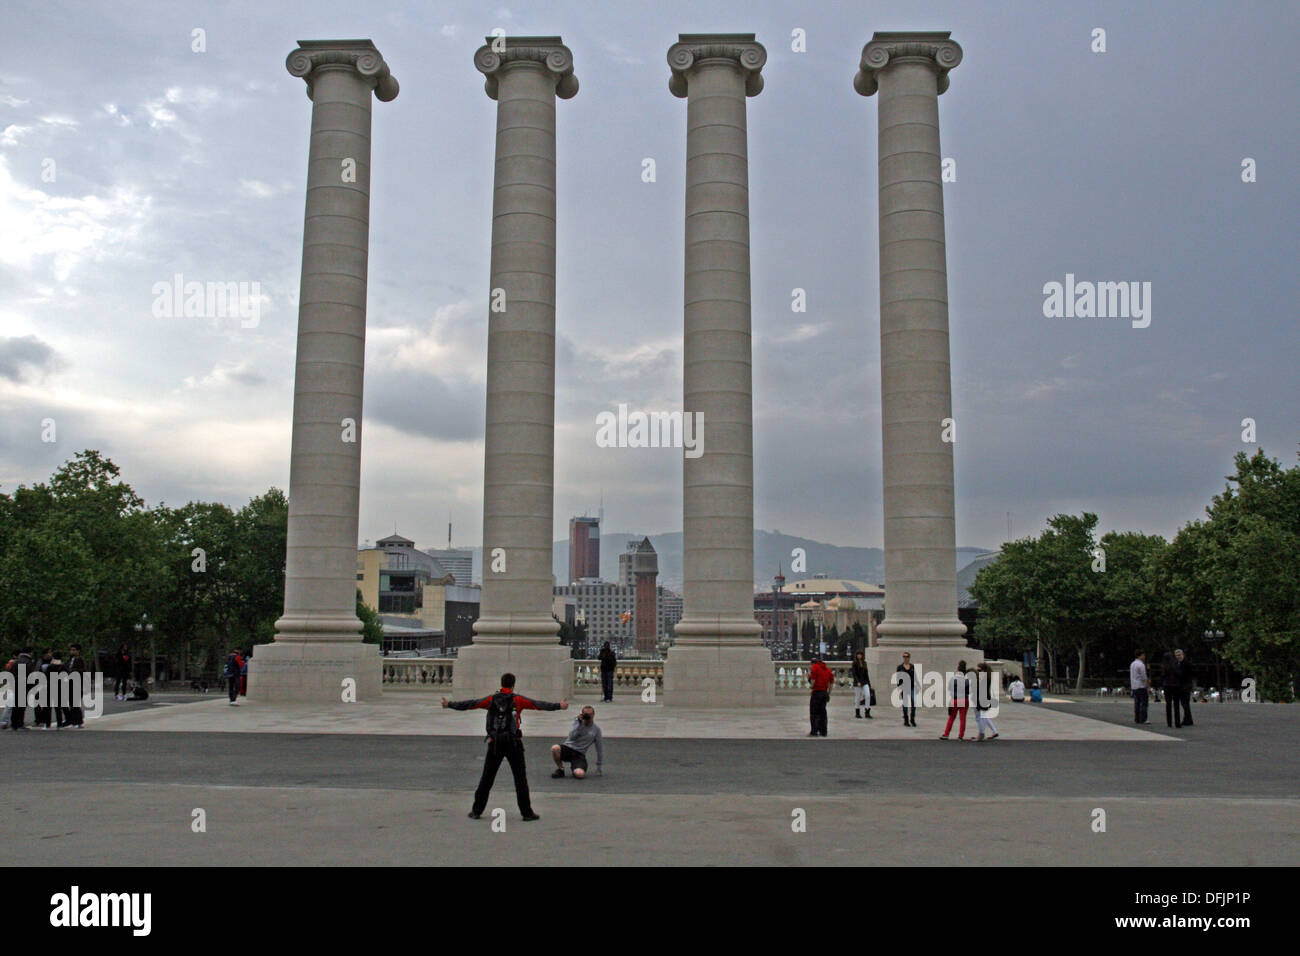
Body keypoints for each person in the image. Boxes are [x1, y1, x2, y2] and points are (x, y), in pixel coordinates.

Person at [442, 673, 567, 822]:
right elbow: (538, 705)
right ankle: (527, 813)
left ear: (501, 684)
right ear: (513, 684)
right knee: (520, 779)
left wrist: (449, 704)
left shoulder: (491, 699)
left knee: (487, 778)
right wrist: (559, 706)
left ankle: (476, 810)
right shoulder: (518, 700)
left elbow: (471, 704)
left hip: (495, 743)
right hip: (514, 743)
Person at [551, 704, 604, 778]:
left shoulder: (596, 730)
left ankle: (575, 768)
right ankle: (560, 769)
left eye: (590, 714)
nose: (588, 716)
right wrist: (579, 724)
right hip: (568, 748)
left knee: (580, 774)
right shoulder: (577, 722)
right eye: (586, 714)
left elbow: (599, 749)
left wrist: (599, 767)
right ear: (582, 714)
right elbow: (572, 737)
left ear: (594, 715)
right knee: (555, 748)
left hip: (579, 754)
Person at [940, 660, 970, 740]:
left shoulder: (953, 679)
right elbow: (968, 691)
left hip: (955, 699)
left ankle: (946, 734)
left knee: (951, 717)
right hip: (964, 699)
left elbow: (949, 688)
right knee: (962, 719)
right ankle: (960, 736)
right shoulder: (966, 680)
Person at [6, 648, 35, 730]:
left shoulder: (17, 661)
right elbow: (31, 675)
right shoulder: (28, 662)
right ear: (30, 653)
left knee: (16, 705)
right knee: (22, 706)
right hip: (25, 685)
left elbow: (11, 673)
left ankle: (14, 723)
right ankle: (19, 723)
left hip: (17, 684)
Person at [972, 662, 999, 741]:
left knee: (979, 718)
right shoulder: (987, 677)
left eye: (979, 670)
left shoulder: (984, 678)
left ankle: (981, 733)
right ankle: (994, 731)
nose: (978, 672)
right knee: (984, 717)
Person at [808, 656, 833, 736]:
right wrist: (828, 694)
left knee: (814, 713)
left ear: (813, 663)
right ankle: (823, 731)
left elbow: (813, 681)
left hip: (817, 692)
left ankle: (814, 731)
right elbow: (831, 684)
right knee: (823, 712)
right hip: (824, 693)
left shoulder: (814, 668)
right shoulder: (828, 670)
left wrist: (811, 685)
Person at [65, 643, 86, 728]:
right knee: (71, 703)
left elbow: (83, 670)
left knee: (75, 703)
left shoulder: (80, 660)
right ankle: (74, 721)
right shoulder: (69, 660)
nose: (72, 652)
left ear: (78, 651)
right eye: (71, 650)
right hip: (69, 683)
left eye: (74, 650)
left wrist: (73, 671)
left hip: (76, 683)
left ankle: (78, 721)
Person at [1160, 650, 1182, 728]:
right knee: (1176, 704)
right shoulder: (1175, 665)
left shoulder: (1164, 666)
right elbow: (1179, 674)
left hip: (1166, 685)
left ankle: (1169, 722)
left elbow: (1162, 676)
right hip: (1175, 685)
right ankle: (1177, 722)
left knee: (1168, 704)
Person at [896, 652, 918, 726]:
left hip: (911, 687)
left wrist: (917, 684)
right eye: (904, 657)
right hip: (904, 688)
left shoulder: (912, 666)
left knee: (914, 703)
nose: (905, 658)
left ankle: (912, 719)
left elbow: (915, 676)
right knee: (905, 704)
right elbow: (898, 677)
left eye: (907, 657)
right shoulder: (900, 667)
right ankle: (906, 720)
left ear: (909, 658)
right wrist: (899, 687)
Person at [1174, 649, 1194, 726]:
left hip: (1185, 685)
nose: (1178, 657)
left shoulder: (1186, 663)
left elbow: (1187, 674)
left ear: (1183, 655)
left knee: (1185, 703)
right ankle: (1187, 719)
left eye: (1179, 655)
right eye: (1177, 655)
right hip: (1180, 686)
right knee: (1184, 704)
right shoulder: (1177, 663)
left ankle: (1188, 720)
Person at [851, 651, 873, 718]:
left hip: (864, 681)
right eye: (858, 655)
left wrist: (869, 683)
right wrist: (857, 681)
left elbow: (866, 674)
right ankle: (857, 712)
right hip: (858, 682)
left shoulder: (864, 663)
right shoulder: (854, 663)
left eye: (860, 655)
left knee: (868, 696)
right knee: (858, 697)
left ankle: (867, 711)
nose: (859, 656)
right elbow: (854, 674)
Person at [1130, 651, 1150, 724]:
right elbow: (1144, 676)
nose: (1144, 657)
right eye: (1143, 655)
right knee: (1144, 703)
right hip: (1141, 686)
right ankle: (1143, 719)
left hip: (1134, 686)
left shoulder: (1132, 664)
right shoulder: (1141, 665)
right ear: (1140, 656)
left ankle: (1137, 718)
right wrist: (1147, 685)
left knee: (1137, 703)